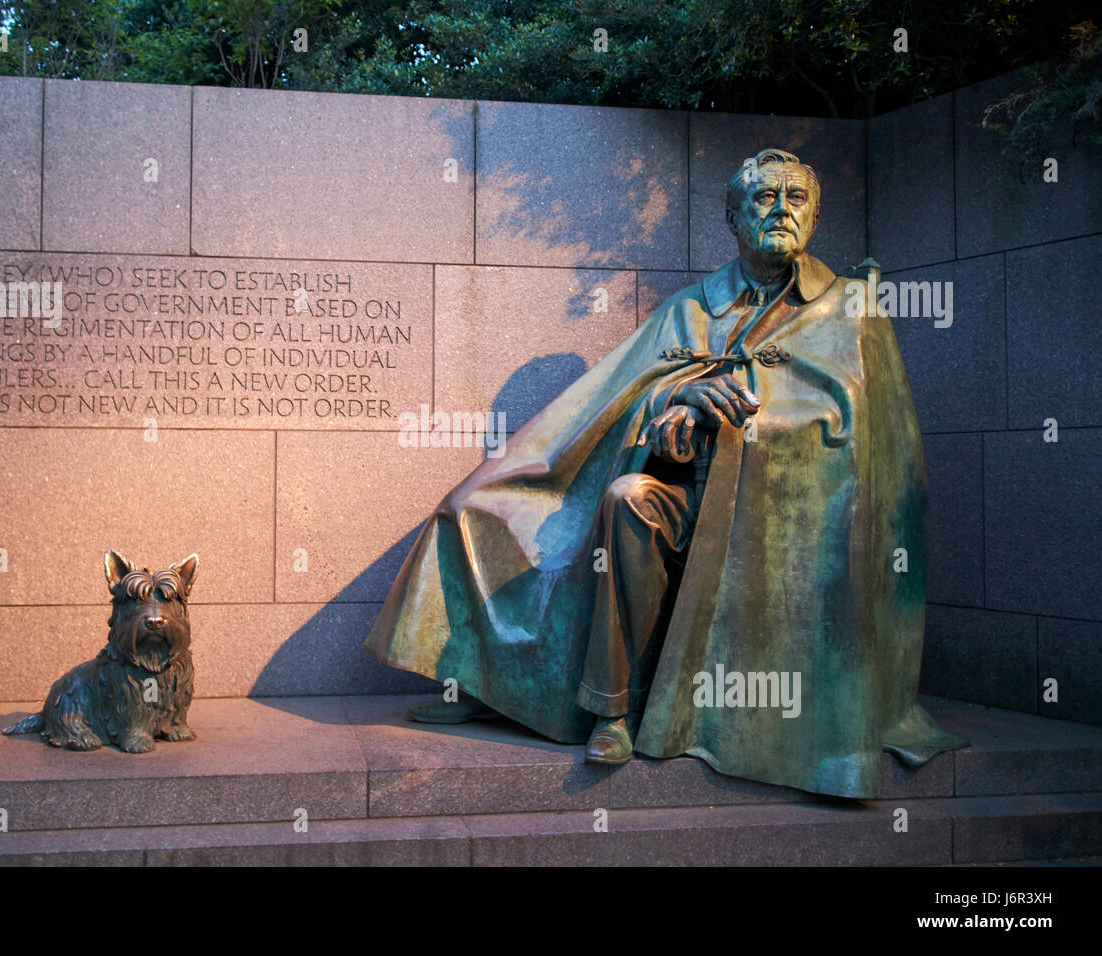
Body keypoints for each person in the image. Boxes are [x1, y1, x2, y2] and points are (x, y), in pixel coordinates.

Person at [364, 148, 967, 798]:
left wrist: (742, 411)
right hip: (683, 490)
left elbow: (864, 440)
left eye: (796, 199)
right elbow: (620, 399)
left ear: (815, 216)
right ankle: (574, 699)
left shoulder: (850, 308)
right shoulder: (689, 310)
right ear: (733, 218)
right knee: (542, 503)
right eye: (764, 198)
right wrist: (674, 403)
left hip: (780, 513)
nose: (780, 211)